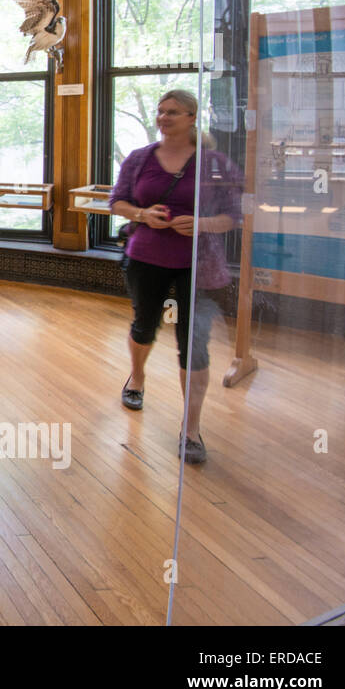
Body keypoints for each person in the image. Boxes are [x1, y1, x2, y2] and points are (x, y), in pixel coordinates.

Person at [109, 89, 242, 465]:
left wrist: (202, 224)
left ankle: (191, 430)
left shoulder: (214, 163)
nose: (164, 118)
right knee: (144, 325)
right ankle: (136, 378)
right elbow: (118, 201)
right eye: (160, 111)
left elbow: (235, 214)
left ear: (191, 117)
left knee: (194, 343)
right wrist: (142, 215)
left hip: (198, 267)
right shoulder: (138, 160)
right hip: (146, 258)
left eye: (173, 112)